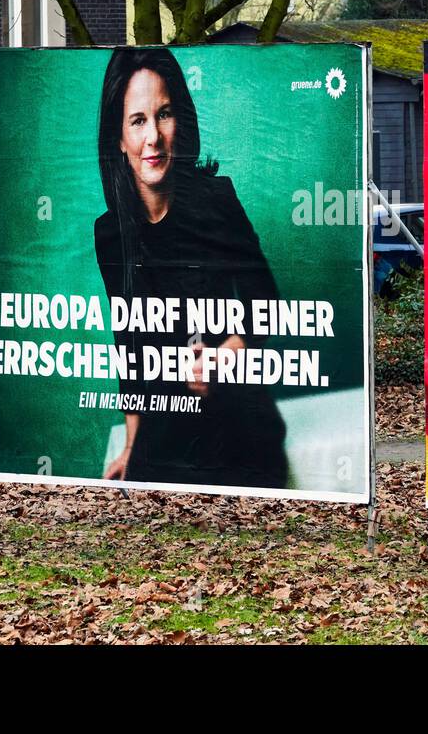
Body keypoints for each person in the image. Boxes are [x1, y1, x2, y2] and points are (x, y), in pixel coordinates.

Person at [94, 48, 289, 489]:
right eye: (138, 120)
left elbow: (266, 301)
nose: (153, 139)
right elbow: (129, 341)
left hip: (234, 412)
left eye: (163, 114)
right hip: (164, 420)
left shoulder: (215, 200)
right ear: (118, 138)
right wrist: (130, 444)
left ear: (180, 120)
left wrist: (226, 356)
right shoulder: (110, 233)